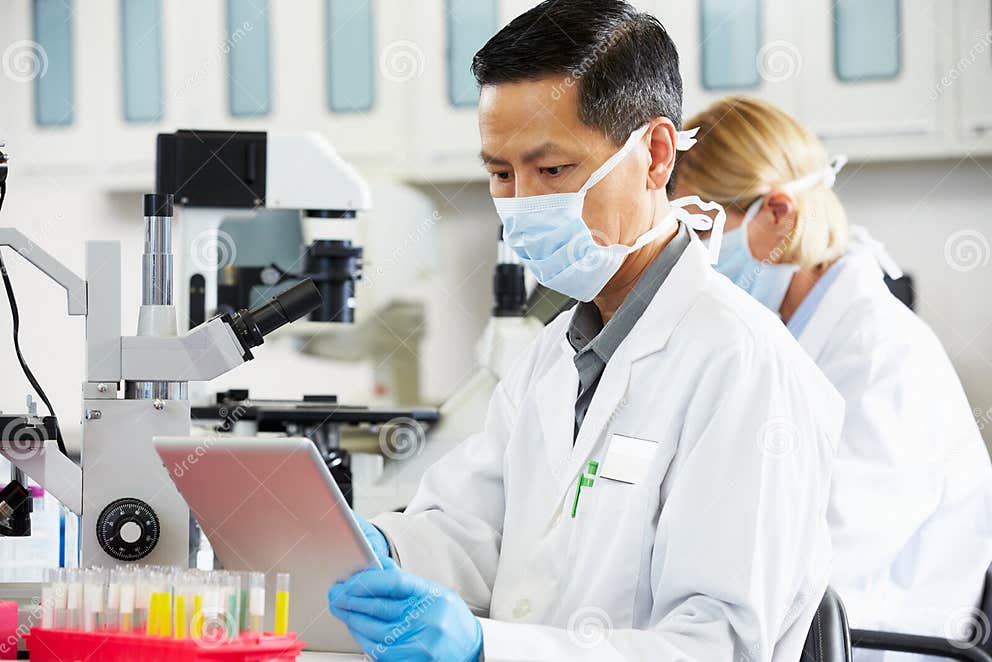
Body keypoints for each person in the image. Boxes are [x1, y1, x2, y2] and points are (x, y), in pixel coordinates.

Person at [326, 4, 845, 660]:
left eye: (551, 171)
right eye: (499, 173)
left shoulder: (743, 365)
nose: (520, 205)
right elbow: (474, 535)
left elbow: (721, 644)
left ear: (656, 155)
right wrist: (384, 549)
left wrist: (489, 648)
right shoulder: (550, 357)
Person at [674, 95, 992, 660]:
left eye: (700, 233)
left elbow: (828, 551)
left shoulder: (881, 354)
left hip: (877, 643)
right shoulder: (776, 333)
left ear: (777, 214)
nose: (686, 258)